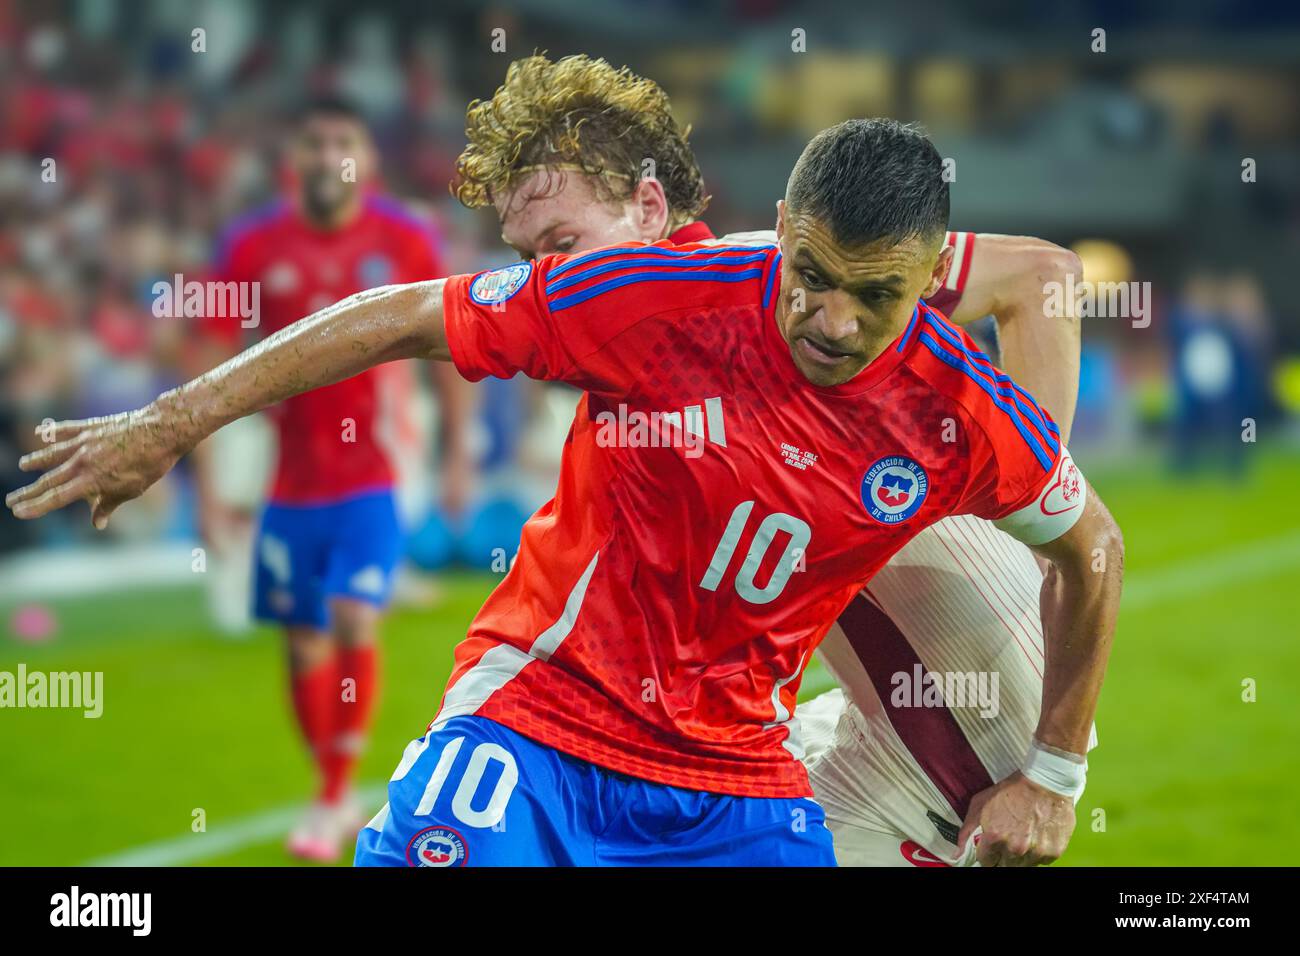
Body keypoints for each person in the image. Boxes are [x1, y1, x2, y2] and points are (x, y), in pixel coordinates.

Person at [7, 117, 1123, 868]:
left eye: (871, 296)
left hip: (739, 771)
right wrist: (171, 420)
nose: (829, 320)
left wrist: (1058, 775)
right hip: (547, 718)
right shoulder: (652, 300)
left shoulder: (961, 414)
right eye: (812, 276)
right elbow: (406, 313)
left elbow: (1094, 546)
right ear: (781, 231)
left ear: (932, 280)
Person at [453, 54, 1091, 866]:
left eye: (564, 244)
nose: (542, 276)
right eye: (525, 255)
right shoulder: (674, 345)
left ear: (651, 207)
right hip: (899, 708)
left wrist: (1027, 502)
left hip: (964, 741)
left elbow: (1045, 278)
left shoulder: (780, 285)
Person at [190, 96, 466, 861]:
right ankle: (331, 784)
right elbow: (205, 361)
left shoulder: (406, 238)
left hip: (379, 471)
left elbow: (453, 346)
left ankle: (334, 790)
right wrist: (207, 487)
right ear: (293, 159)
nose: (326, 156)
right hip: (291, 484)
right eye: (312, 142)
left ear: (367, 160)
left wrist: (456, 456)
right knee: (304, 638)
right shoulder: (250, 247)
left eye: (343, 140)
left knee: (351, 614)